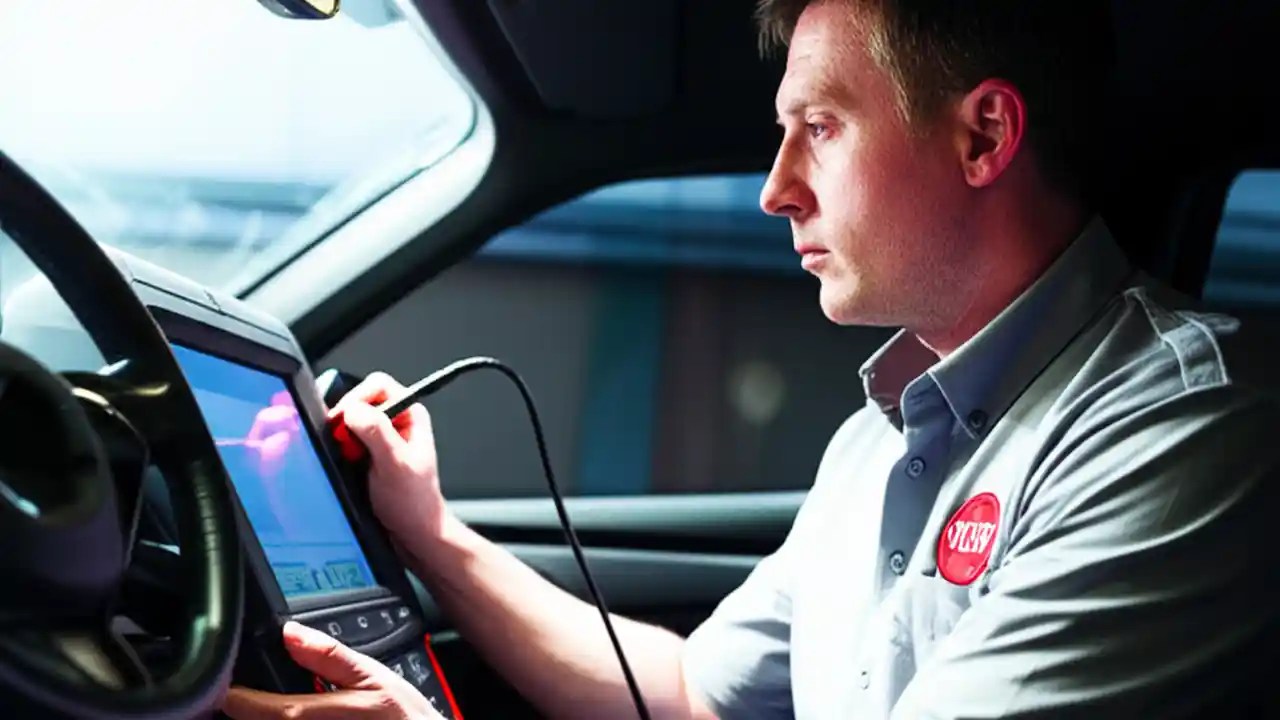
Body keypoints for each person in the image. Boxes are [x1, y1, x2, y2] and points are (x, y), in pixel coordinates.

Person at [222, 0, 1280, 718]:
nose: (775, 188)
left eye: (817, 126)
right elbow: (690, 693)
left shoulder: (1180, 431)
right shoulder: (877, 439)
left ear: (982, 135)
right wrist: (436, 538)